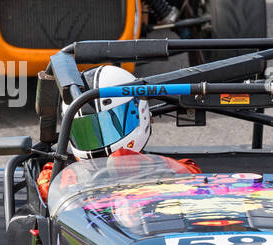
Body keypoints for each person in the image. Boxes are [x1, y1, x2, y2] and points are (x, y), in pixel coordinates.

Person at [37, 65, 199, 200]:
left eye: (110, 126)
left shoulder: (168, 169)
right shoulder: (61, 178)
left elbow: (196, 182)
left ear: (139, 113)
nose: (101, 139)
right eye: (88, 131)